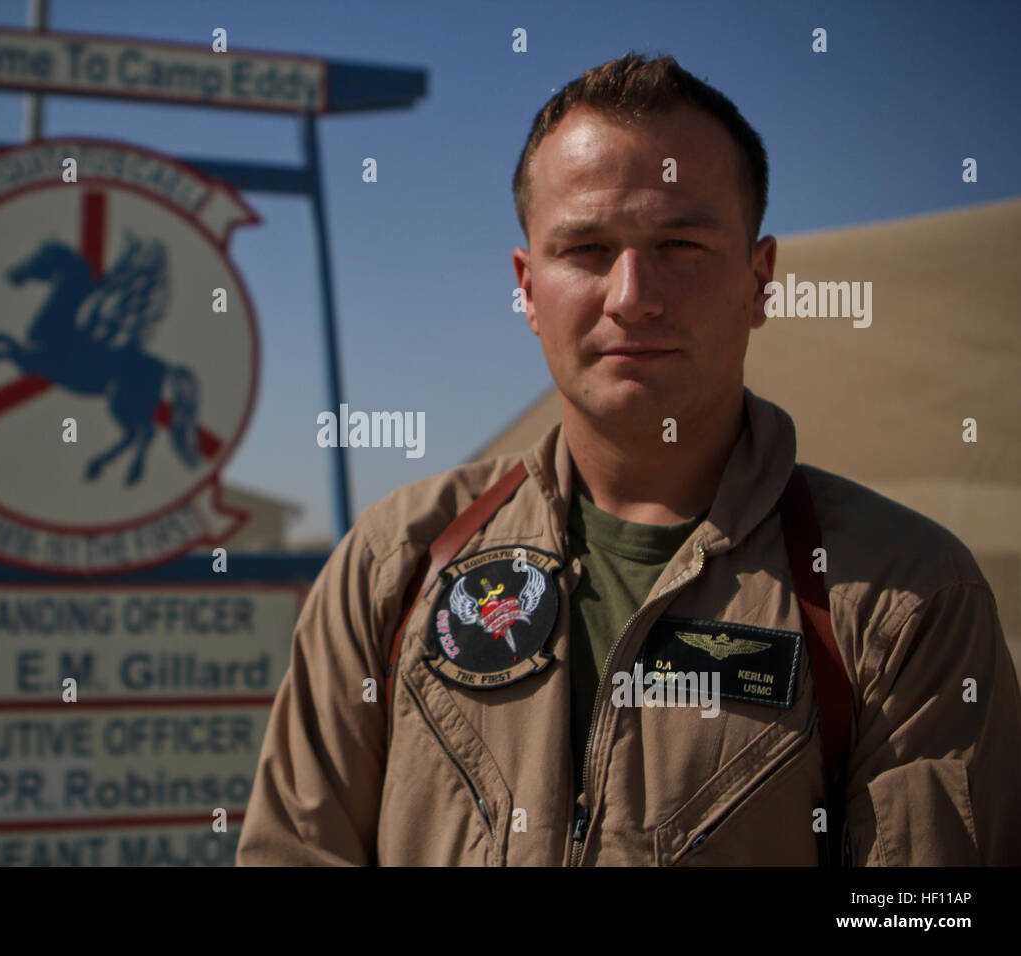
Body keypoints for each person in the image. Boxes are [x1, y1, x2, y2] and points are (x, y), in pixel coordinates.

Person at [236, 52, 1021, 866]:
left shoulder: (904, 597)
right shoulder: (396, 564)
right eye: (586, 249)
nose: (631, 294)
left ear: (761, 280)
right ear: (527, 288)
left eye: (681, 243)